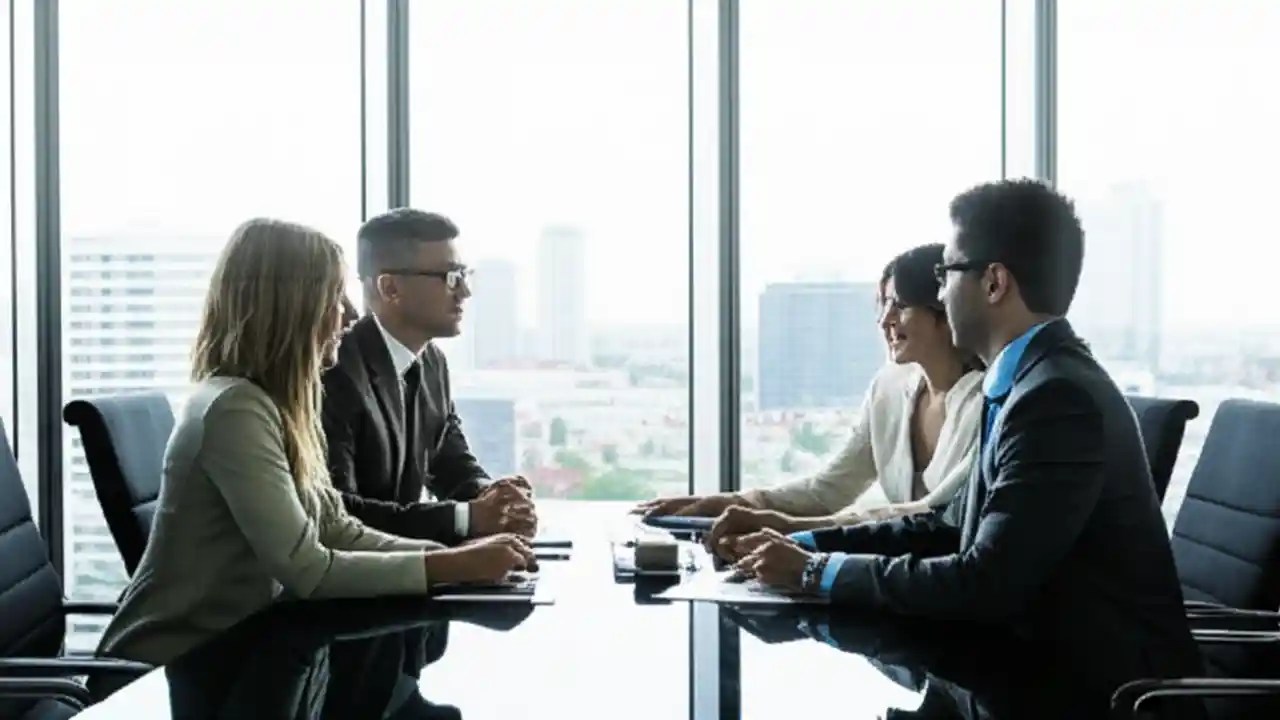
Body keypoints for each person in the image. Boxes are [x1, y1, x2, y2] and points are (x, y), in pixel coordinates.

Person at [726, 179, 1203, 706]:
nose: (939, 290)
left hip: (1086, 692)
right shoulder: (1027, 383)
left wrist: (816, 574)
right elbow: (948, 526)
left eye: (945, 272)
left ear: (994, 282)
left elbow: (986, 582)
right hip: (1025, 668)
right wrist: (808, 546)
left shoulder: (1056, 399)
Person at [94, 218, 533, 671]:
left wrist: (457, 559)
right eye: (333, 298)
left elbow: (337, 528)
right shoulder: (234, 411)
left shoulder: (276, 405)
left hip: (252, 655)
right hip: (174, 671)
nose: (348, 314)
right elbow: (308, 568)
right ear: (290, 308)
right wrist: (455, 568)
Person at [636, 243, 984, 540]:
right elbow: (828, 490)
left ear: (944, 308)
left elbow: (934, 513)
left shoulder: (988, 401)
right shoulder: (888, 388)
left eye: (900, 305)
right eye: (882, 305)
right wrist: (737, 502)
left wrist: (794, 529)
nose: (885, 320)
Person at [322, 208, 537, 545]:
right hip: (358, 584)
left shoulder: (433, 362)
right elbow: (339, 514)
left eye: (465, 274)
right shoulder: (334, 371)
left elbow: (451, 464)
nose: (464, 291)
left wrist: (495, 496)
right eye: (450, 276)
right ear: (390, 287)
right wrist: (467, 518)